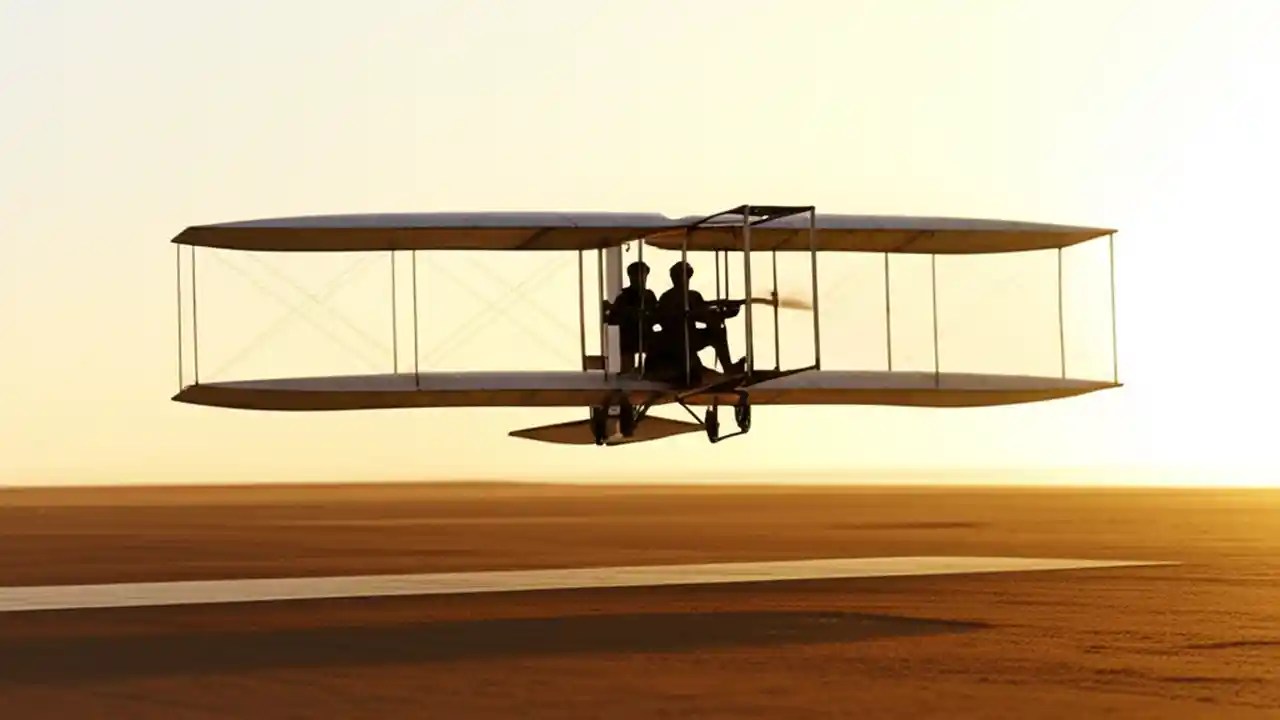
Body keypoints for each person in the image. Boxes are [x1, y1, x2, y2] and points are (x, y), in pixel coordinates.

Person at [651, 260, 746, 382]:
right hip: (675, 339)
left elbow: (704, 312)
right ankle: (725, 368)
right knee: (714, 330)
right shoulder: (668, 297)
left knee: (718, 332)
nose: (683, 280)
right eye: (680, 276)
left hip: (691, 335)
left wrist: (724, 310)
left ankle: (728, 368)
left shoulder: (693, 295)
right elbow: (665, 318)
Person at [603, 260, 658, 371]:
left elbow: (656, 314)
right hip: (629, 337)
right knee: (627, 366)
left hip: (646, 335)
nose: (639, 279)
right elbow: (613, 318)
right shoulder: (624, 297)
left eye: (642, 275)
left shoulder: (649, 296)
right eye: (635, 275)